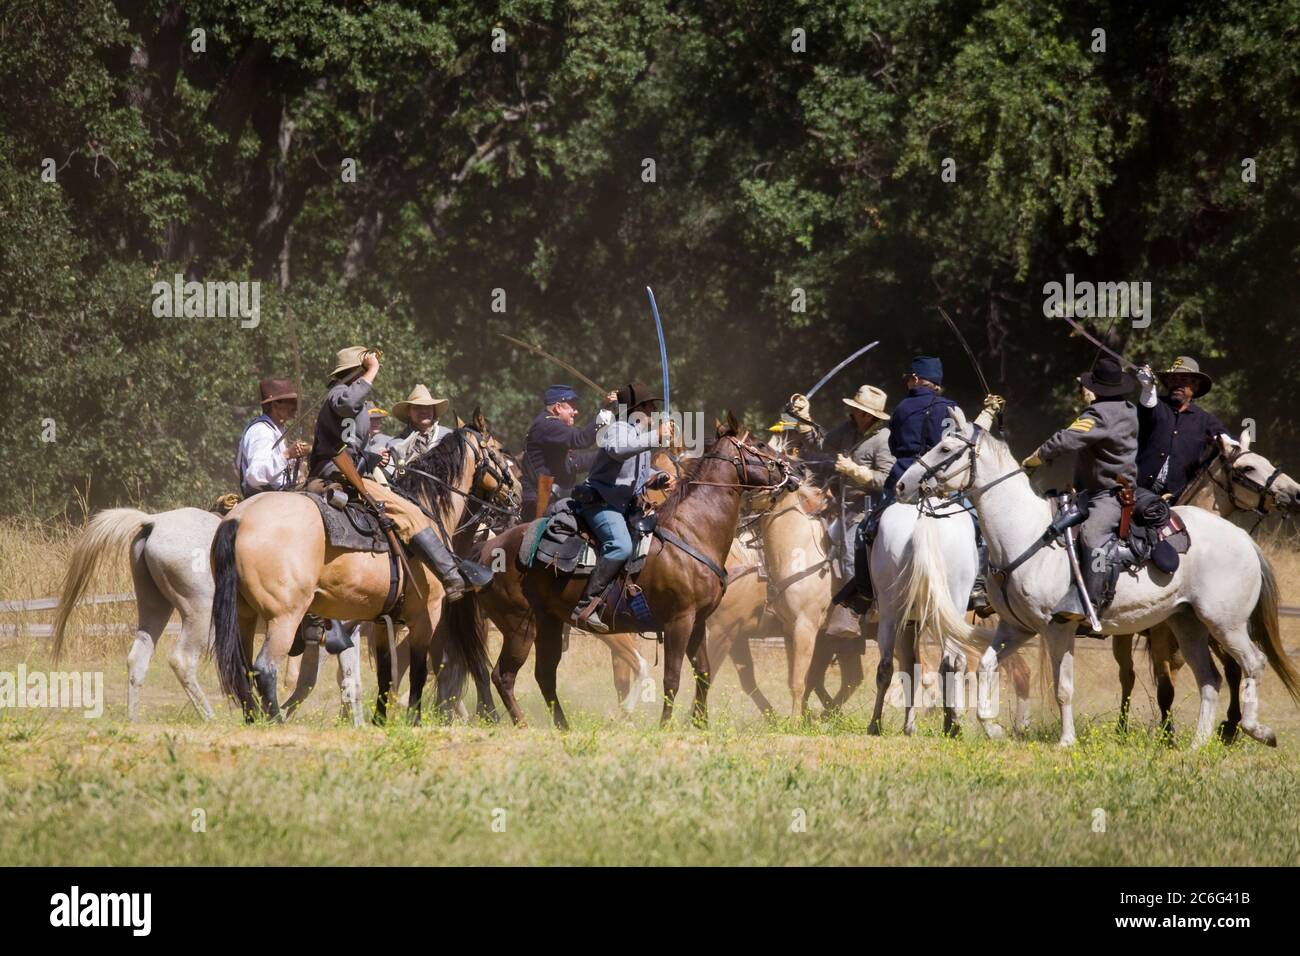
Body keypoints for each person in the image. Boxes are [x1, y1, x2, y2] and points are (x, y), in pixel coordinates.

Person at [307, 346, 490, 602]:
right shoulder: (342, 395)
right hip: (340, 475)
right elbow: (349, 405)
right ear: (357, 372)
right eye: (365, 373)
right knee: (411, 514)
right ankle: (451, 577)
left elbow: (349, 443)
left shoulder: (340, 397)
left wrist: (369, 458)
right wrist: (372, 370)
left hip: (345, 472)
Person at [832, 356, 965, 613]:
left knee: (864, 531)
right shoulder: (953, 407)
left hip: (905, 483)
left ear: (915, 379)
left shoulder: (903, 408)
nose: (906, 383)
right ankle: (979, 584)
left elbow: (894, 447)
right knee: (975, 528)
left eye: (908, 379)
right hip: (944, 486)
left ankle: (864, 592)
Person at [1020, 354, 1138, 626]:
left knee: (1092, 535)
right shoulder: (1126, 408)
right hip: (1093, 491)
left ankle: (1090, 603)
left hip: (1109, 494)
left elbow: (1067, 438)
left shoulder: (1100, 414)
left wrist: (1035, 459)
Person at [570, 382, 677, 633]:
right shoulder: (617, 428)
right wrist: (657, 436)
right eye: (649, 406)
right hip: (602, 504)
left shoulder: (637, 436)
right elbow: (619, 451)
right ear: (635, 409)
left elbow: (637, 471)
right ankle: (587, 606)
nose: (652, 411)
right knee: (620, 546)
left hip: (624, 506)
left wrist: (657, 476)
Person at [1134, 356, 1236, 500]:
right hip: (1137, 488)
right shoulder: (1156, 405)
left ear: (1195, 386)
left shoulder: (1205, 420)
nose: (1177, 384)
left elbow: (1227, 442)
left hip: (1176, 498)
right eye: (1173, 380)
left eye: (1183, 380)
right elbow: (1147, 406)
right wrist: (1148, 388)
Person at [521, 384, 618, 515]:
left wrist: (613, 454)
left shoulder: (549, 427)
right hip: (540, 505)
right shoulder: (547, 425)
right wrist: (608, 411)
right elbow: (582, 438)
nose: (576, 411)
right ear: (558, 407)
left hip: (553, 501)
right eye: (572, 406)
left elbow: (576, 461)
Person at [235, 377, 310, 496]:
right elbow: (255, 475)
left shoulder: (277, 429)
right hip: (267, 497)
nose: (295, 407)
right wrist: (287, 455)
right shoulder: (262, 431)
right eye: (290, 402)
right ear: (275, 405)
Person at [390, 384, 453, 465]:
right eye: (417, 407)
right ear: (408, 412)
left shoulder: (449, 437)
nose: (424, 411)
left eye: (428, 407)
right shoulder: (396, 445)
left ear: (433, 410)